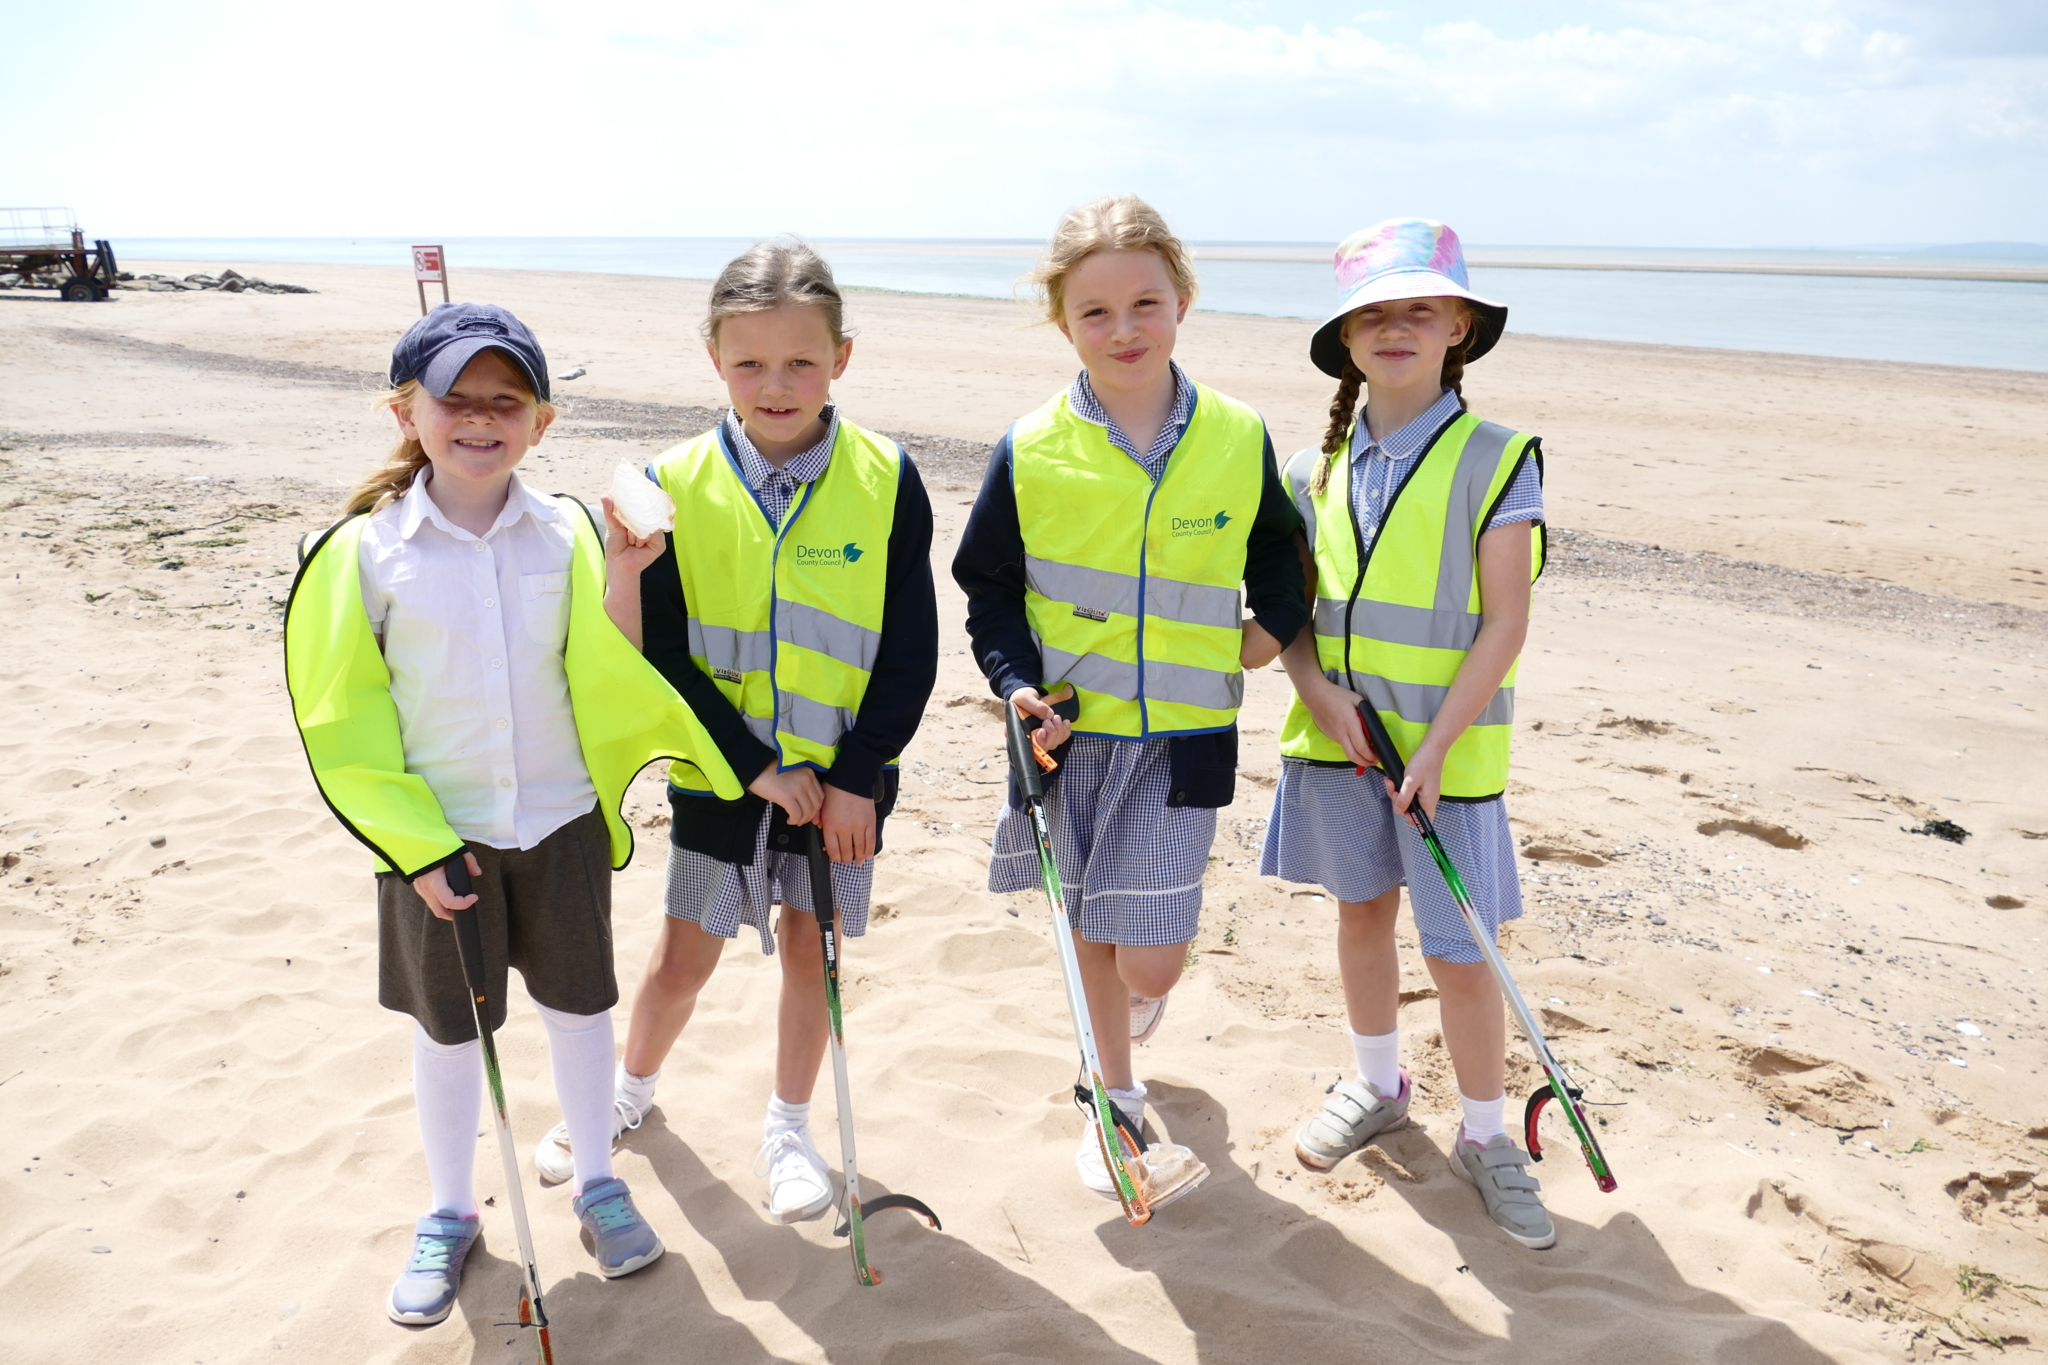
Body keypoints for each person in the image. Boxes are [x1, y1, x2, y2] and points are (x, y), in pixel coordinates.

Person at [283, 304, 741, 1325]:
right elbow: (342, 720)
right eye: (456, 400)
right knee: (453, 1034)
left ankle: (597, 1182)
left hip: (560, 819)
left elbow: (607, 667)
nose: (480, 420)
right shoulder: (361, 551)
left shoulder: (570, 528)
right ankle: (449, 1213)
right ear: (407, 413)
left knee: (581, 1010)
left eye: (507, 401)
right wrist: (416, 848)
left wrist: (625, 574)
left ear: (541, 421)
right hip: (438, 842)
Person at [528, 240, 938, 1225]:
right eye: (749, 362)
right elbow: (661, 654)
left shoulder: (887, 477)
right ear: (713, 358)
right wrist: (752, 767)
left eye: (801, 361)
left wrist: (852, 776)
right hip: (721, 781)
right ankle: (628, 1090)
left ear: (841, 357)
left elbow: (911, 650)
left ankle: (789, 1129)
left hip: (846, 787)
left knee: (813, 954)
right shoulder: (670, 483)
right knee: (682, 958)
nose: (775, 384)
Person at [953, 195, 1307, 1200]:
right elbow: (986, 587)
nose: (1122, 329)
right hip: (1070, 736)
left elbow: (1280, 554)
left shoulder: (1237, 436)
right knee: (1086, 933)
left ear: (1181, 302)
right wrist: (1016, 686)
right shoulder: (1029, 447)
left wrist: (1268, 631)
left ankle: (1133, 1011)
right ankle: (1111, 1097)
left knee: (1146, 960)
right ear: (1063, 323)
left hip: (1185, 736)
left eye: (1143, 303)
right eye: (1094, 311)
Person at [1261, 219, 1554, 1248]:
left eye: (1417, 307)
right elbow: (1282, 624)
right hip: (1337, 746)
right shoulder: (1307, 470)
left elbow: (1504, 622)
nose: (1394, 326)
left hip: (1448, 762)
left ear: (1458, 328)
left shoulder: (1495, 457)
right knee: (1357, 918)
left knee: (1459, 952)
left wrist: (1431, 751)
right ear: (1343, 339)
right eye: (1371, 312)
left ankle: (1483, 1137)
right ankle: (1377, 1084)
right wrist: (1312, 688)